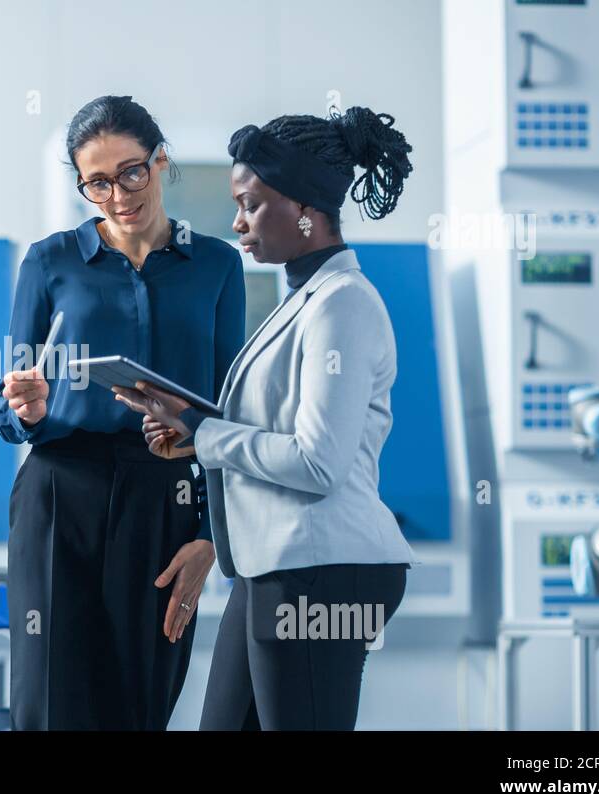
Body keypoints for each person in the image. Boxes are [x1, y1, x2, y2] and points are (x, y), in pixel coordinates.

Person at [112, 107, 415, 730]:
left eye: (250, 203)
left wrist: (205, 433)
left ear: (303, 206)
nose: (237, 221)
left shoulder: (343, 306)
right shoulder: (302, 300)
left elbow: (317, 462)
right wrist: (194, 434)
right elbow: (273, 434)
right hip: (271, 564)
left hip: (324, 571)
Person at [0, 95, 245, 730]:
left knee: (141, 702)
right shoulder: (48, 261)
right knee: (48, 702)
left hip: (165, 496)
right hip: (59, 492)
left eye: (131, 172)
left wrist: (212, 539)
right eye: (96, 183)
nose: (117, 195)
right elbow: (2, 402)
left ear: (161, 162)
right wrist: (27, 409)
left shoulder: (216, 264)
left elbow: (231, 414)